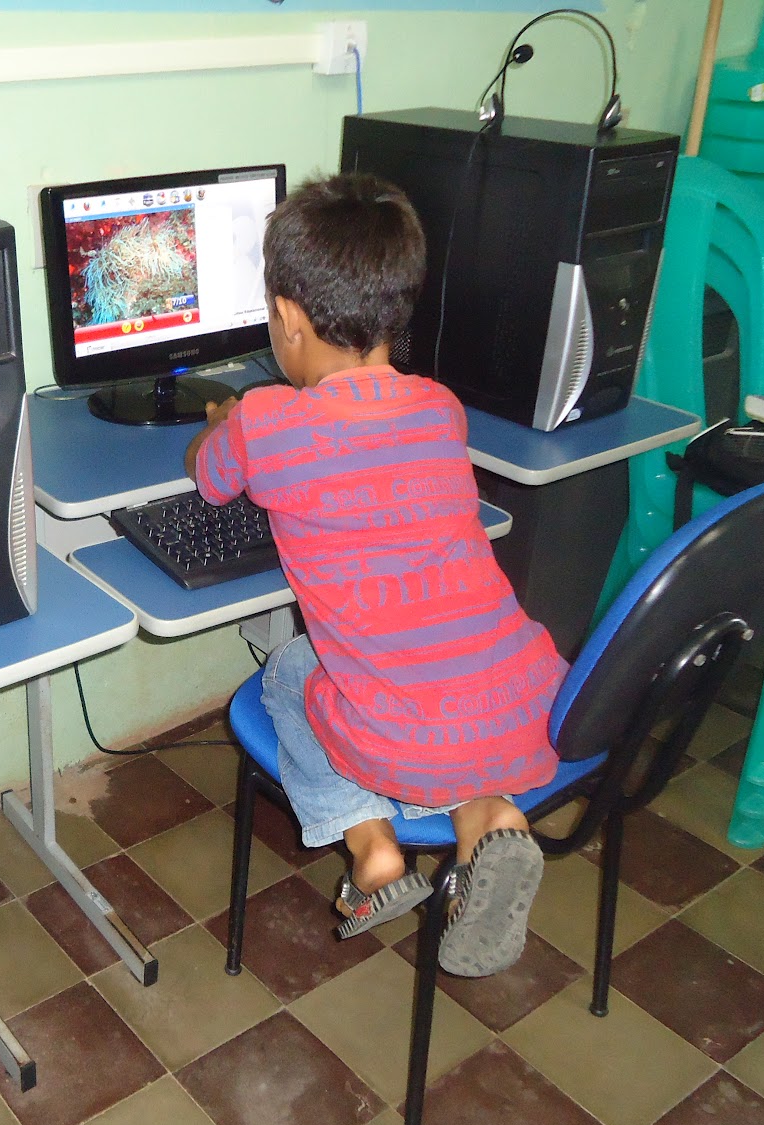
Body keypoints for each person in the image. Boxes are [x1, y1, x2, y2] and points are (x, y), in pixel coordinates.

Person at [186, 173, 568, 977]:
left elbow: (213, 480)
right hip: (529, 700)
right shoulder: (440, 408)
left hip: (400, 741)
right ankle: (486, 823)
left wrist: (222, 419)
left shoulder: (266, 420)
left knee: (292, 670)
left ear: (287, 318)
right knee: (430, 684)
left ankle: (373, 852)